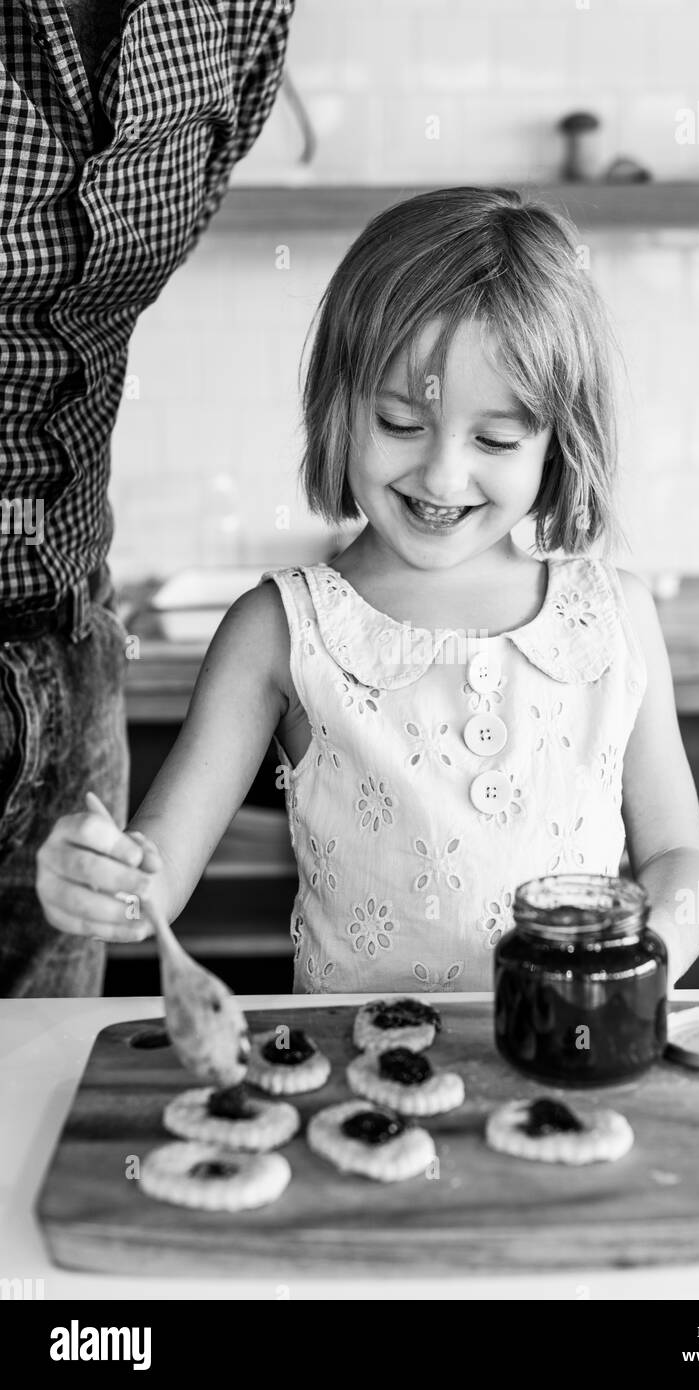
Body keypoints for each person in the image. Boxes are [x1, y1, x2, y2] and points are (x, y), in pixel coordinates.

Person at [36, 186, 699, 994]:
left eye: (494, 438)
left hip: (561, 1064)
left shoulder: (614, 616)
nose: (441, 473)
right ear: (338, 408)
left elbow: (681, 862)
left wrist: (639, 969)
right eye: (401, 423)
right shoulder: (279, 627)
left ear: (556, 443)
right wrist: (103, 880)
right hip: (359, 1082)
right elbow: (158, 873)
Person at [0, 1, 293, 996]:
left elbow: (148, 875)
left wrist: (130, 877)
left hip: (67, 642)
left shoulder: (236, 13)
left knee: (38, 1098)